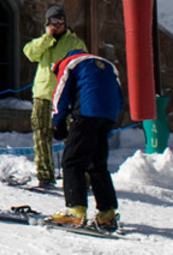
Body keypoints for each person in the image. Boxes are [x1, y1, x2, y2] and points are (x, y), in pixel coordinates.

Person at [48, 49, 123, 230]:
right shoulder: (107, 65)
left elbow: (61, 93)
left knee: (72, 161)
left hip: (86, 114)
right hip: (108, 115)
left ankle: (75, 209)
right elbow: (119, 96)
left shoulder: (69, 63)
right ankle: (107, 212)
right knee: (97, 164)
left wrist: (57, 122)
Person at [22, 5, 86, 188]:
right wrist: (47, 38)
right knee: (41, 134)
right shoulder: (42, 41)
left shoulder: (74, 43)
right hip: (43, 94)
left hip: (64, 95)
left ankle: (77, 176)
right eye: (53, 22)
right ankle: (45, 175)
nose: (57, 26)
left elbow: (82, 64)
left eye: (60, 22)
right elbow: (29, 53)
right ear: (47, 23)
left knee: (71, 136)